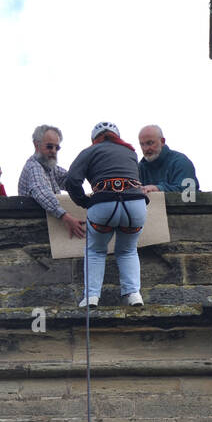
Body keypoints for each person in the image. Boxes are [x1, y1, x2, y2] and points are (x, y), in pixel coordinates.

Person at [65, 121, 148, 307]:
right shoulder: (130, 152)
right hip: (135, 206)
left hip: (103, 206)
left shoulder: (89, 152)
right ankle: (134, 295)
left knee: (95, 250)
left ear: (94, 139)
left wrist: (83, 201)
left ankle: (92, 297)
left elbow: (72, 180)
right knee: (127, 250)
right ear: (117, 136)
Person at [18, 124, 86, 239]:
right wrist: (66, 217)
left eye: (57, 148)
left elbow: (69, 180)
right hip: (37, 232)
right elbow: (42, 193)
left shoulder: (49, 166)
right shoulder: (34, 167)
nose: (54, 151)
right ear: (36, 145)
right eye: (49, 147)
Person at [138, 124, 198, 194]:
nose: (146, 148)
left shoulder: (180, 162)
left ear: (162, 141)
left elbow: (188, 191)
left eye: (150, 143)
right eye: (142, 144)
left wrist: (158, 189)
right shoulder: (140, 168)